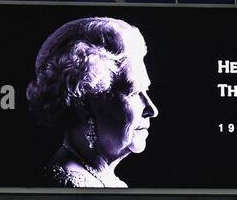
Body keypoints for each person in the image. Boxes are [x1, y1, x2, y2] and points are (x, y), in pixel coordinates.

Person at [27, 16, 159, 188]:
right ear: (85, 104)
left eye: (146, 91)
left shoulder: (103, 179)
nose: (152, 109)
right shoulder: (68, 185)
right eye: (133, 92)